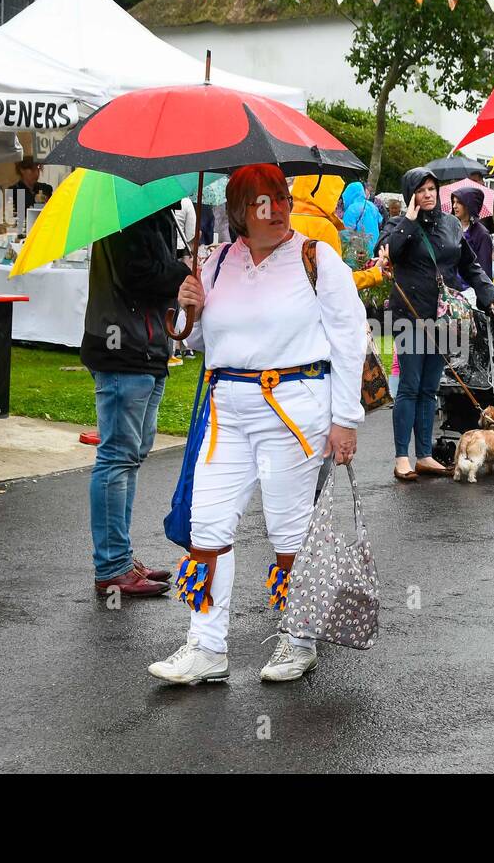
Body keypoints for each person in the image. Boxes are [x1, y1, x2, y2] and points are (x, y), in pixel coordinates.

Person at [147, 164, 366, 685]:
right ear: (241, 212)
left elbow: (350, 338)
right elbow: (199, 345)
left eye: (282, 197)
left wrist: (345, 419)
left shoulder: (318, 258)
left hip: (293, 409)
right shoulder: (216, 261)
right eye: (263, 201)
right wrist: (189, 310)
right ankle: (205, 645)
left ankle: (299, 637)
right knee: (207, 522)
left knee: (288, 527)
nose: (278, 208)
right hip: (228, 411)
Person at [82, 205, 191, 597]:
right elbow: (139, 274)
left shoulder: (146, 209)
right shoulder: (130, 211)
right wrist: (184, 271)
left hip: (142, 349)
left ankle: (119, 559)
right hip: (125, 350)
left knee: (130, 454)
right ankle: (112, 565)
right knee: (118, 457)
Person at [383, 167, 494, 481]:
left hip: (444, 318)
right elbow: (391, 251)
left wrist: (488, 294)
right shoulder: (397, 224)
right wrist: (409, 221)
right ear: (411, 193)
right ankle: (401, 458)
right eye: (421, 189)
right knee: (409, 387)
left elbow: (469, 264)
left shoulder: (451, 224)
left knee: (429, 388)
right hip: (409, 315)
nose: (428, 195)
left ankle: (424, 455)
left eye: (432, 189)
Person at [450, 186, 494, 282]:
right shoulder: (450, 227)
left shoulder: (481, 234)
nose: (454, 206)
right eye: (453, 202)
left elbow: (485, 271)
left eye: (459, 202)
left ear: (469, 205)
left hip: (470, 289)